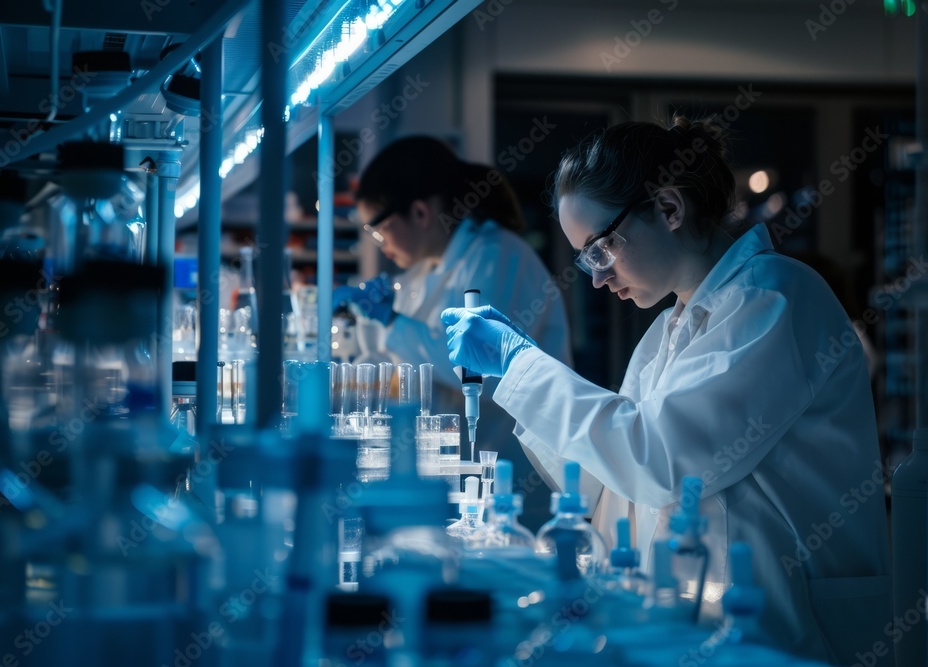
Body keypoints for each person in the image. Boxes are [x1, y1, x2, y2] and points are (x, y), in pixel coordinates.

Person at [441, 116, 892, 664]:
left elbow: (665, 464)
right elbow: (612, 480)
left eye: (600, 248)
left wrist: (522, 366)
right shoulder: (667, 331)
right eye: (585, 260)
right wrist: (516, 377)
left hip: (779, 632)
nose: (598, 278)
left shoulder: (776, 298)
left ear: (670, 209)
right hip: (687, 625)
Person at [333, 136, 573, 531]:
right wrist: (363, 335)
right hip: (454, 480)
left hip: (512, 479)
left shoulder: (497, 255)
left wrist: (391, 322)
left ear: (420, 213)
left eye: (378, 229)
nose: (378, 242)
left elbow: (470, 367)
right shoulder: (426, 270)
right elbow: (405, 364)